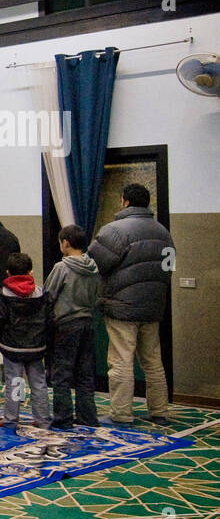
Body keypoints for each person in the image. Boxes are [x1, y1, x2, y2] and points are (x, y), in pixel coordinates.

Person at [88, 182, 173, 426]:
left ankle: (122, 414)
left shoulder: (115, 230)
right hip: (154, 306)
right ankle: (159, 411)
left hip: (122, 307)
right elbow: (169, 269)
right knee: (153, 362)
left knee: (121, 360)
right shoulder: (163, 231)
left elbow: (96, 263)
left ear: (124, 201)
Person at [44, 224, 101, 430]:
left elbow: (49, 295)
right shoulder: (93, 267)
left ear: (65, 243)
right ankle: (87, 416)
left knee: (62, 373)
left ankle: (63, 418)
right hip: (87, 322)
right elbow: (96, 297)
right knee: (85, 373)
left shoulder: (62, 267)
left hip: (66, 325)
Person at [0, 252, 51, 430]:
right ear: (30, 272)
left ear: (8, 273)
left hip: (12, 347)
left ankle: (11, 419)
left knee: (15, 382)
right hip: (37, 347)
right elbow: (49, 319)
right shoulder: (41, 293)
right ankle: (43, 419)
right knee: (38, 383)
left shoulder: (4, 295)